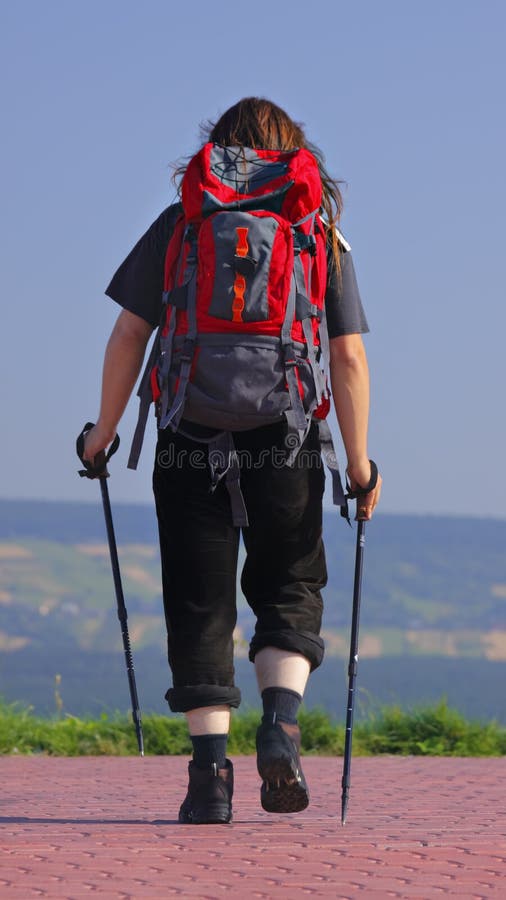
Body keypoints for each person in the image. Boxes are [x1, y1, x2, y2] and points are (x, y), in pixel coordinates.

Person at [83, 97, 382, 824]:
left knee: (199, 601)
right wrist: (360, 464)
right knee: (288, 582)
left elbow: (130, 333)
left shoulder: (184, 222)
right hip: (285, 434)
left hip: (188, 434)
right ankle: (279, 724)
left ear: (215, 152)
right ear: (293, 154)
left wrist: (103, 434)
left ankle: (209, 782)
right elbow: (347, 356)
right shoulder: (316, 233)